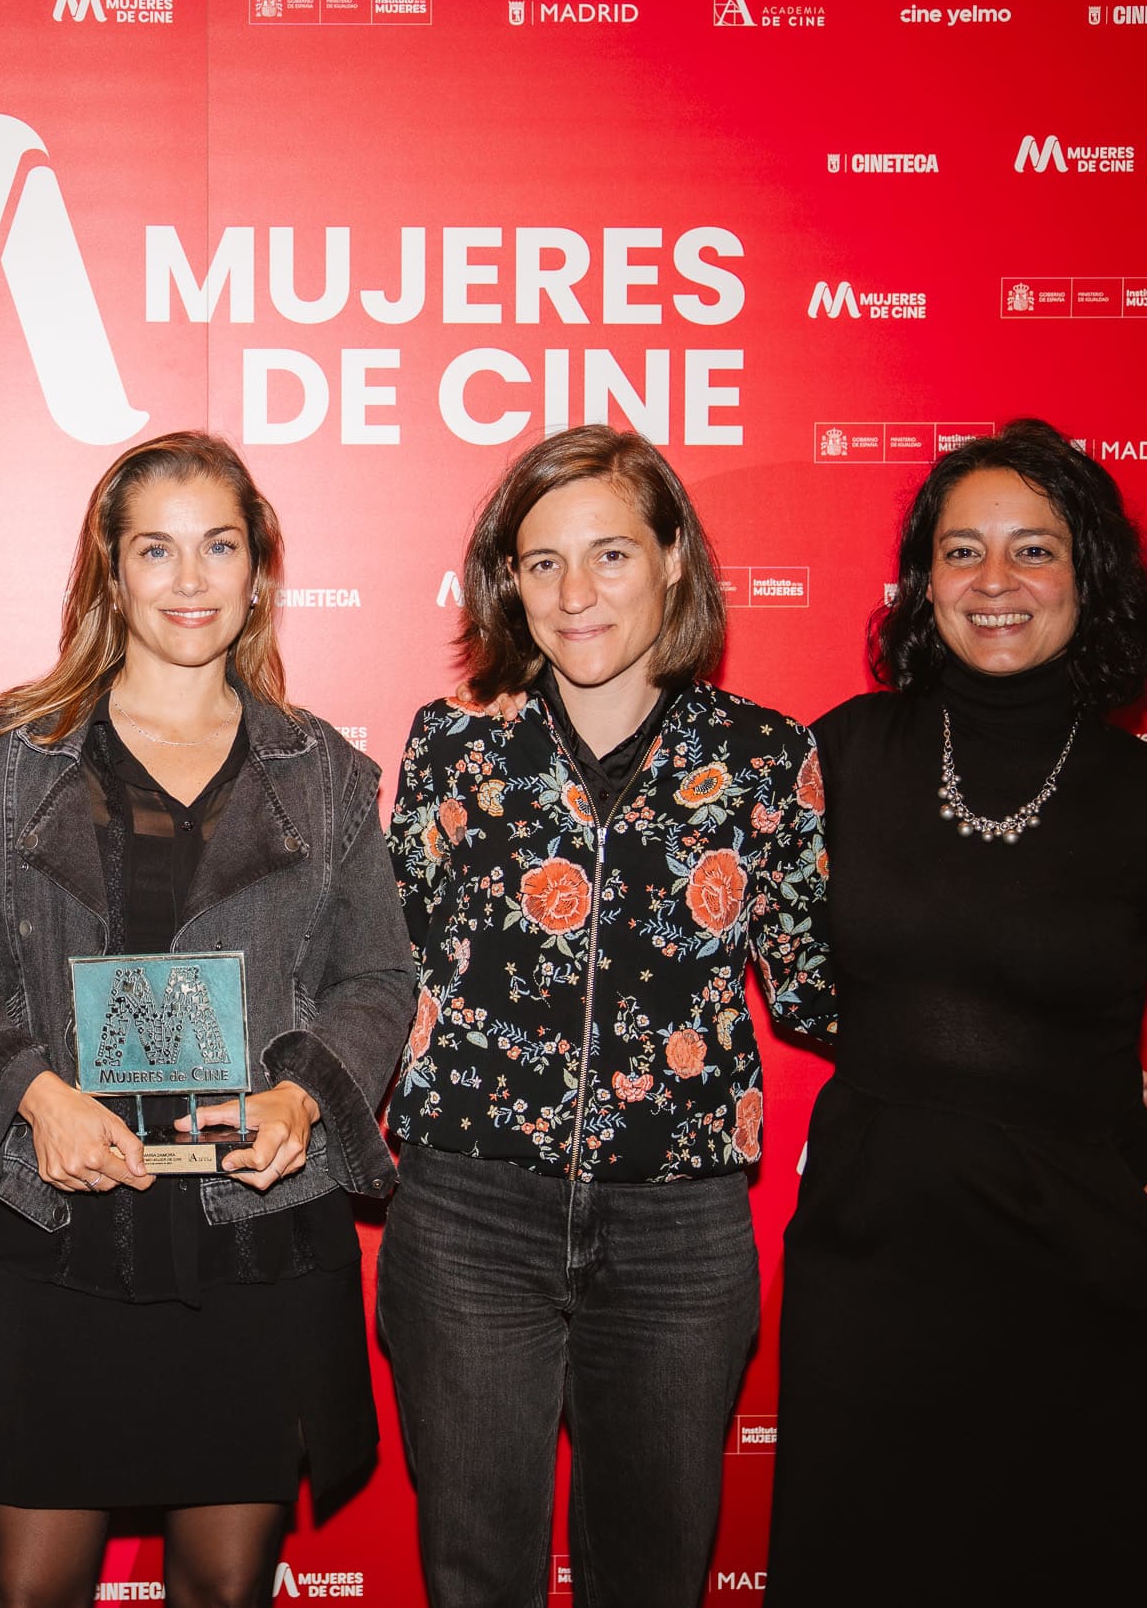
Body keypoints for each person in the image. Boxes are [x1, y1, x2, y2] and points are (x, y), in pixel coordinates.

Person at [765, 421, 1147, 1605]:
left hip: (1084, 1268)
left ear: (1087, 578)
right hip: (872, 1266)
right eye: (962, 551)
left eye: (1032, 550)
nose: (994, 583)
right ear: (921, 580)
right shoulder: (840, 753)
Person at [0, 431, 415, 1608]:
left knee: (225, 1587)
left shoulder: (324, 770)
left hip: (254, 1233)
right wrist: (37, 1096)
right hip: (58, 1228)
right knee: (29, 1591)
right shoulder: (11, 763)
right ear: (112, 570)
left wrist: (303, 1095)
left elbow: (376, 980)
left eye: (217, 546)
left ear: (257, 571)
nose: (189, 579)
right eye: (156, 548)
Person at [377, 426, 830, 1608]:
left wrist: (1033, 1067)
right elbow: (377, 966)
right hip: (469, 1207)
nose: (575, 594)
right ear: (506, 581)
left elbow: (822, 982)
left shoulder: (764, 758)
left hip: (679, 1226)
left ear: (675, 559)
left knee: (652, 1572)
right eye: (540, 563)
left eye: (611, 554)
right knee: (478, 1572)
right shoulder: (453, 747)